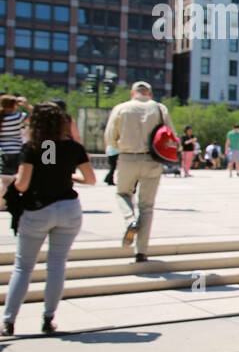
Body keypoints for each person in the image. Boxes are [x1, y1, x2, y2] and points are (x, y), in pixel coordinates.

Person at [3, 103, 95, 336]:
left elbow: (23, 183)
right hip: (69, 208)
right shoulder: (72, 147)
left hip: (39, 209)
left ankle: (9, 321)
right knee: (56, 265)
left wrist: (15, 184)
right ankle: (48, 318)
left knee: (24, 266)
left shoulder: (37, 147)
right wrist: (68, 176)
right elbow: (91, 179)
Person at [104, 80, 173, 262]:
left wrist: (122, 144)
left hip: (127, 157)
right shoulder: (159, 109)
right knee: (147, 206)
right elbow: (171, 135)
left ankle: (129, 220)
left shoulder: (121, 108)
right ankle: (141, 251)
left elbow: (110, 138)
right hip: (152, 159)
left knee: (122, 193)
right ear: (149, 93)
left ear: (132, 93)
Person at [0, 94, 30, 199]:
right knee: (17, 179)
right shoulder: (18, 117)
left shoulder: (1, 117)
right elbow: (36, 118)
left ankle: (2, 203)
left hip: (3, 152)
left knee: (6, 180)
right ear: (14, 105)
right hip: (17, 151)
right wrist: (27, 105)